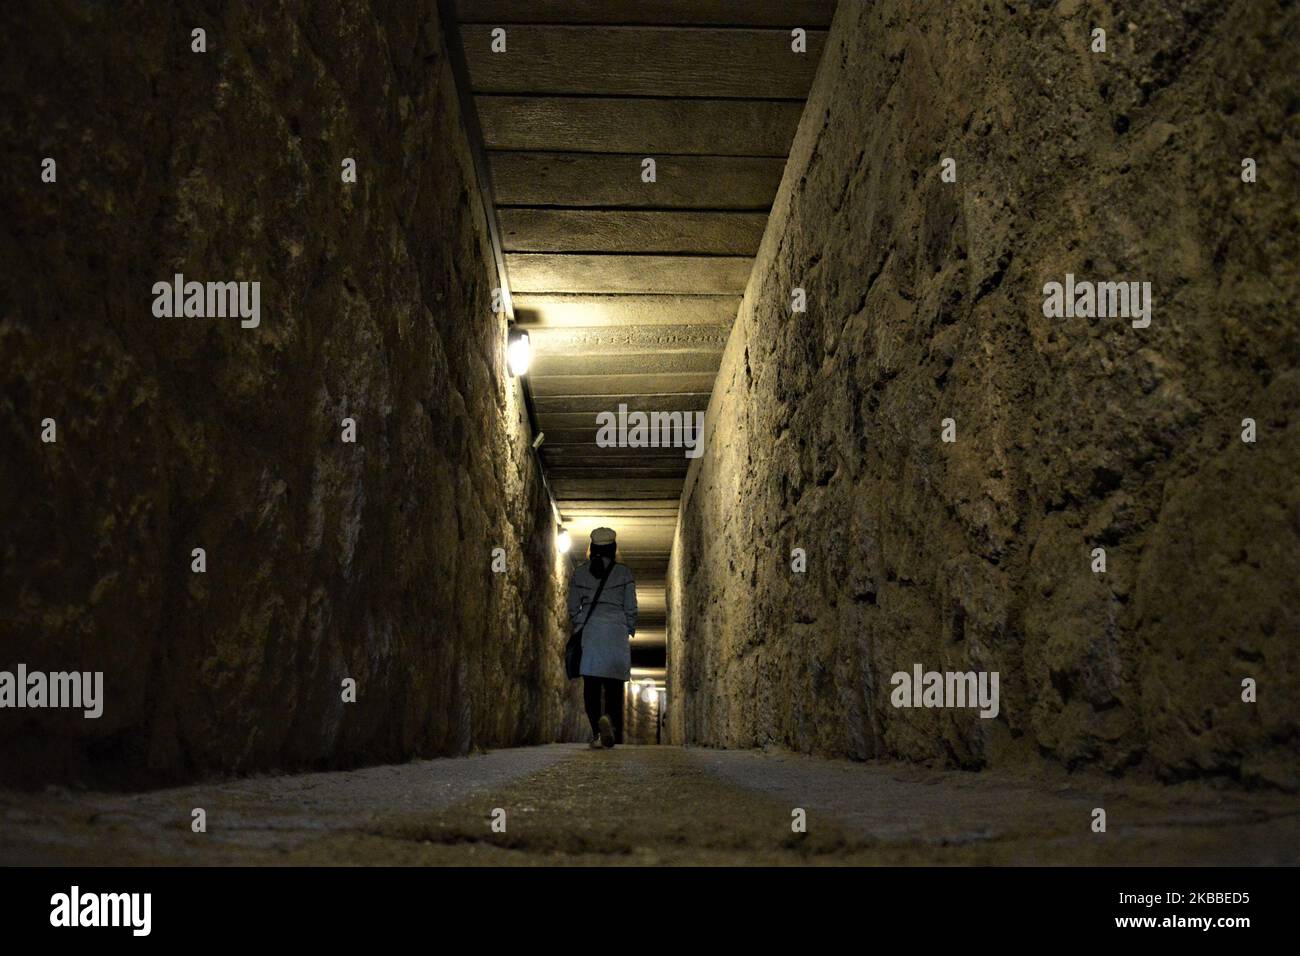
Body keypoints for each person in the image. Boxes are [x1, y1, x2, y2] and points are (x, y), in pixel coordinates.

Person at [567, 527, 637, 748]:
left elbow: (572, 607)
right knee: (615, 685)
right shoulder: (624, 573)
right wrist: (629, 626)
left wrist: (581, 622)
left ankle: (597, 731)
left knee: (592, 685)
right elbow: (631, 607)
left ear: (592, 548)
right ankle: (610, 720)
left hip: (592, 630)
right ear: (613, 549)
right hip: (615, 631)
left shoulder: (579, 573)